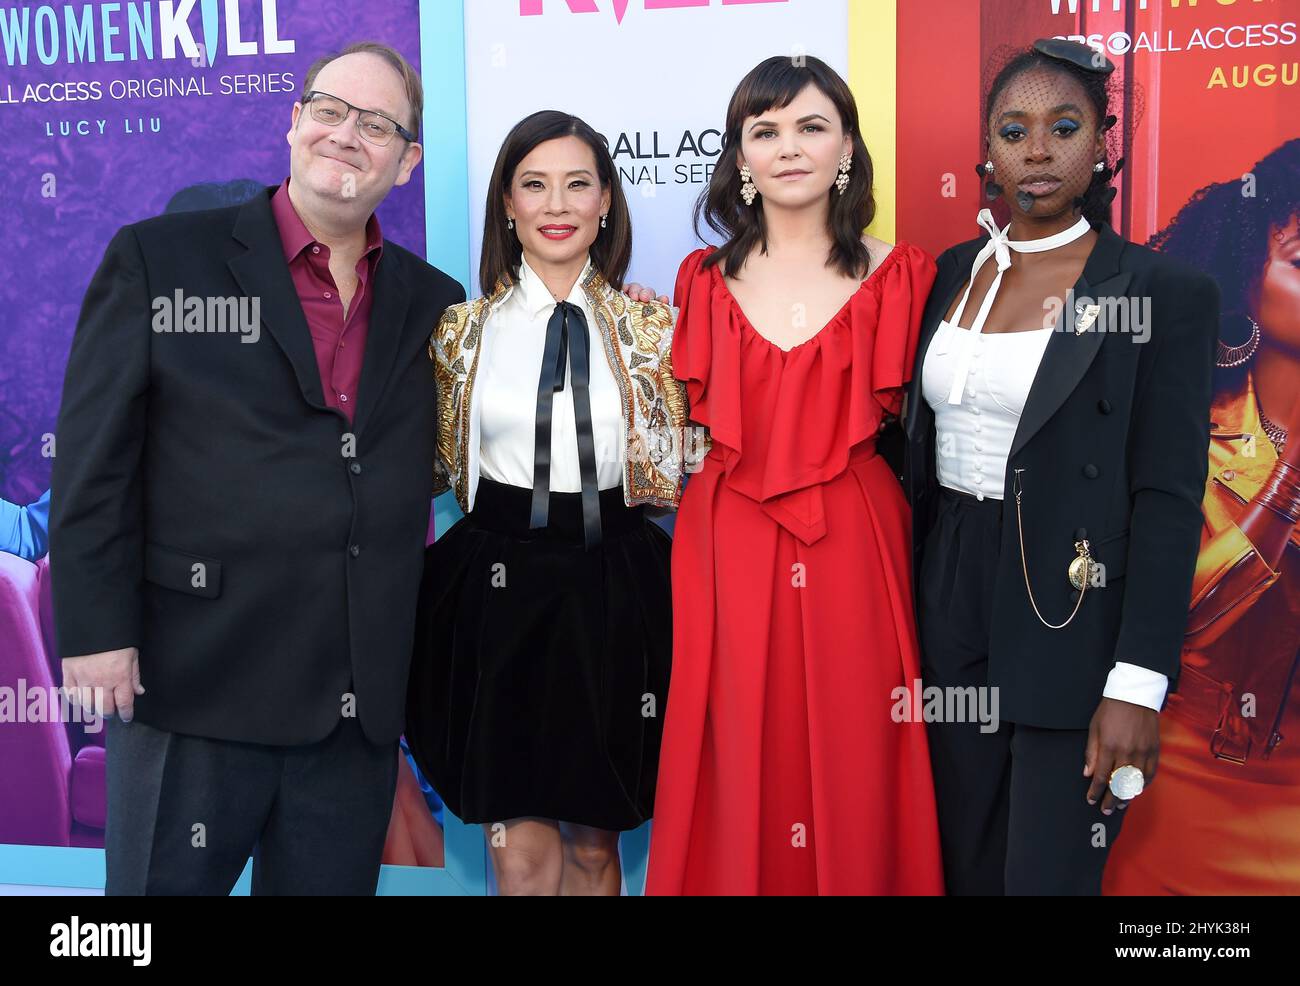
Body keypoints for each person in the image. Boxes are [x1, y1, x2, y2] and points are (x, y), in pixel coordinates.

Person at [49, 42, 464, 895]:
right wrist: (94, 630)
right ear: (294, 121)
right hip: (192, 685)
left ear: (408, 160)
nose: (348, 135)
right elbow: (95, 463)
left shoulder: (436, 304)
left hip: (350, 712)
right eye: (330, 110)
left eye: (377, 124)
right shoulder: (160, 259)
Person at [904, 39, 1219, 895]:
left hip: (1070, 605)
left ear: (1104, 142)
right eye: (1014, 130)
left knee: (1046, 877)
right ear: (987, 152)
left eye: (1064, 127)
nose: (1037, 151)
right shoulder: (951, 274)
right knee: (959, 867)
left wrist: (1137, 685)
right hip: (948, 597)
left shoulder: (1157, 292)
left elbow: (1166, 498)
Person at [645, 55, 946, 895]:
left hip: (855, 532)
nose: (788, 148)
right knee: (734, 735)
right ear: (739, 154)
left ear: (846, 146)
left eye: (812, 127)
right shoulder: (698, 283)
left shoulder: (906, 274)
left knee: (857, 737)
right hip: (723, 534)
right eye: (765, 130)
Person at [405, 110, 689, 896]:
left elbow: (680, 467)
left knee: (598, 846)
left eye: (577, 183)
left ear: (606, 202)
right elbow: (429, 466)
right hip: (496, 592)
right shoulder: (459, 332)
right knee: (518, 853)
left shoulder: (656, 326)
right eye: (534, 184)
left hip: (616, 590)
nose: (556, 203)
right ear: (507, 204)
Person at [1104, 139, 1300, 895]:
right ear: (1245, 275)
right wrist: (1288, 479)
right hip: (1184, 775)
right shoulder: (1188, 419)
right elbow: (1182, 617)